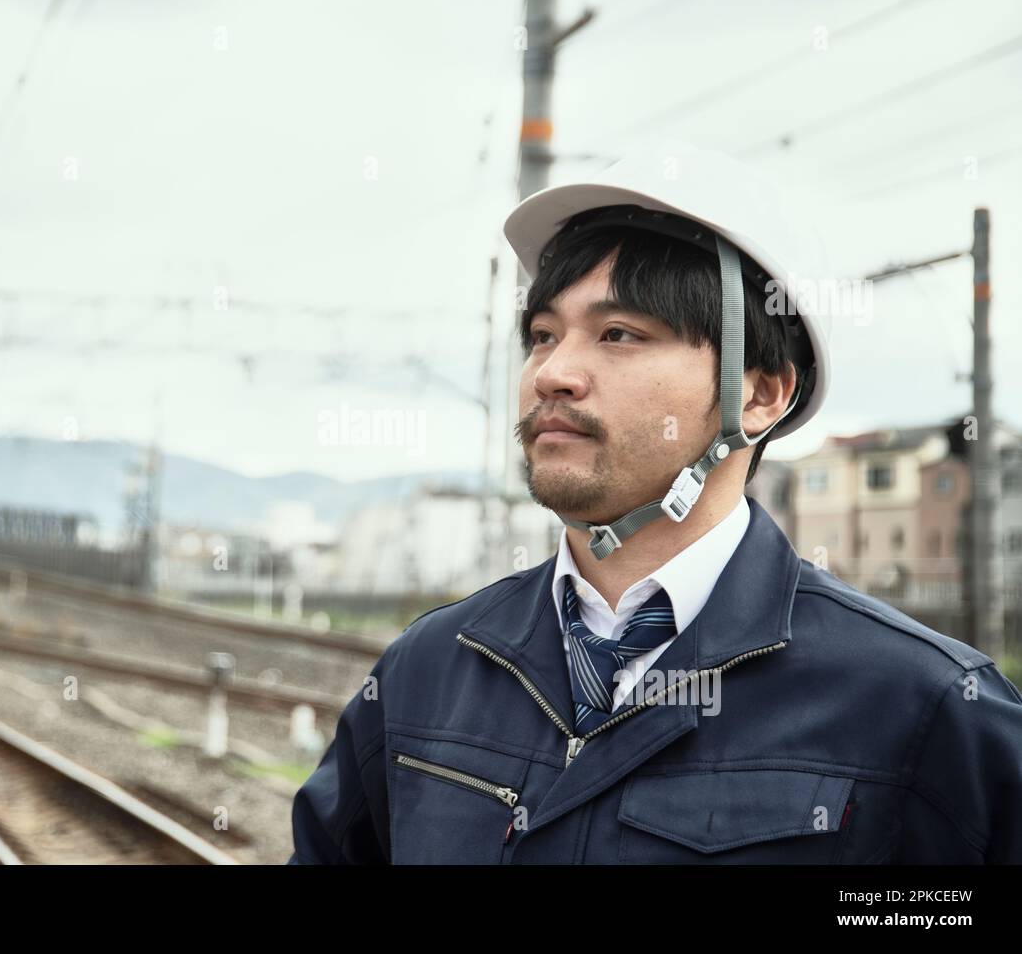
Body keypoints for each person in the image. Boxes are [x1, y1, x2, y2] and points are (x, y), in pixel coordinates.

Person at [287, 140, 1022, 864]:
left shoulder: (923, 708)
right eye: (542, 335)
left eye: (619, 334)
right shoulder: (428, 669)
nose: (553, 373)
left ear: (760, 393)